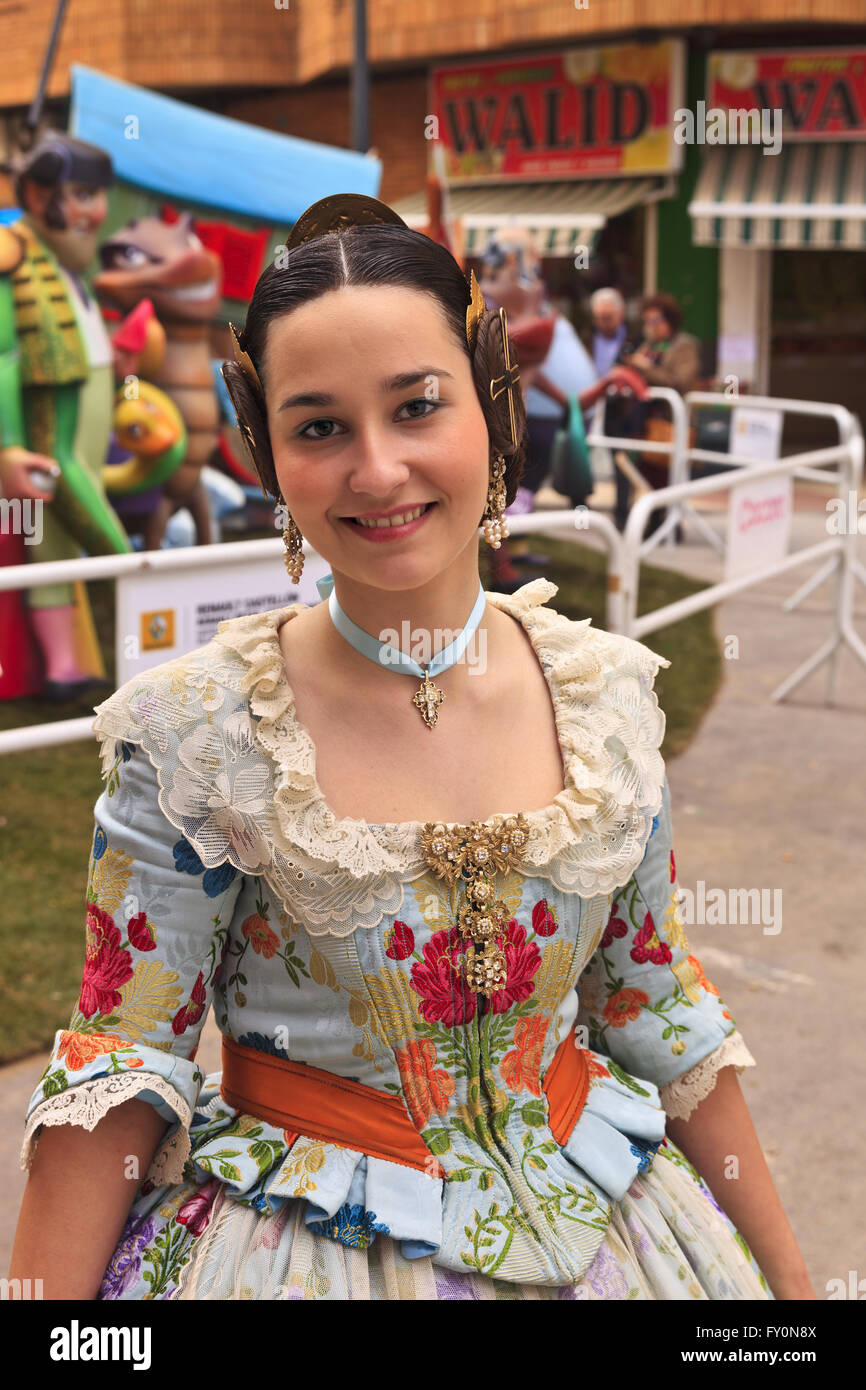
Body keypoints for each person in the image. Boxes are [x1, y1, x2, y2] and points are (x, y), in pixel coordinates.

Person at [10, 193, 815, 1302]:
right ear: (269, 455)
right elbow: (123, 1071)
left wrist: (792, 1293)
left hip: (622, 1240)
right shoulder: (193, 736)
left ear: (490, 408)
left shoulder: (608, 699)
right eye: (320, 426)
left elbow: (650, 1004)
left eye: (415, 406)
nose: (378, 470)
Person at [0, 132, 132, 700]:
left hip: (81, 438)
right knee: (102, 545)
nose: (95, 211)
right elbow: (5, 358)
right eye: (80, 194)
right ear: (36, 192)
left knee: (53, 545)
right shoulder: (14, 256)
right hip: (48, 445)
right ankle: (150, 641)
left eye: (97, 194)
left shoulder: (63, 264)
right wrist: (6, 445)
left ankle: (65, 669)